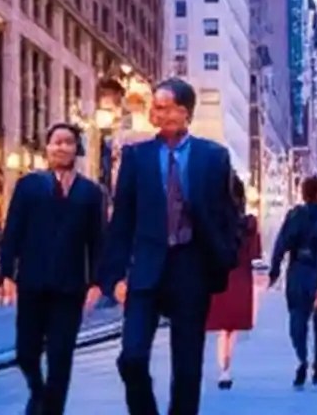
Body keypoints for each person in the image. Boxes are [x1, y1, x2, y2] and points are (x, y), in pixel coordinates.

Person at [100, 78, 241, 415]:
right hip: (146, 269)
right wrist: (114, 277)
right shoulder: (137, 157)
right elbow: (122, 222)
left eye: (162, 107)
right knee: (131, 357)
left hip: (191, 269)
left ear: (183, 112)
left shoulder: (213, 157)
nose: (154, 113)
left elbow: (229, 214)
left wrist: (224, 256)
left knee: (187, 369)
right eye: (154, 107)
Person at [0, 123, 106, 415]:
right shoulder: (29, 185)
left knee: (61, 357)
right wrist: (6, 273)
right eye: (56, 142)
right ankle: (38, 391)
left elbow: (98, 240)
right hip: (32, 283)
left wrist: (97, 282)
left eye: (68, 142)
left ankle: (51, 410)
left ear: (76, 149)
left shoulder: (90, 192)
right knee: (25, 353)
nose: (61, 147)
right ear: (47, 148)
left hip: (70, 288)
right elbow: (13, 231)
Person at [270, 175, 317, 387]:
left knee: (297, 320)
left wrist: (275, 269)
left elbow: (281, 243)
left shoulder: (295, 215)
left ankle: (301, 359)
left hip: (298, 272)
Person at [206, 175, 262, 390]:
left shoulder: (215, 221)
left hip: (220, 274)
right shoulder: (249, 223)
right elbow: (255, 253)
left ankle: (223, 369)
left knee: (222, 328)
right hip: (241, 277)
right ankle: (226, 368)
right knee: (232, 328)